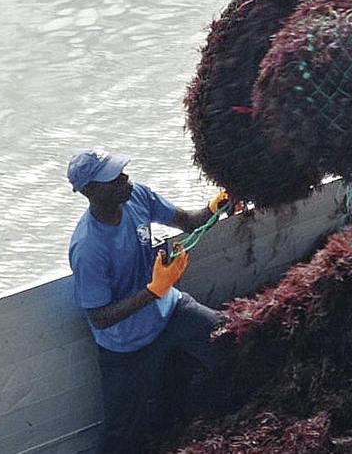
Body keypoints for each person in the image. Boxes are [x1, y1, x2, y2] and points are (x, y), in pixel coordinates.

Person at [66, 148, 231, 453]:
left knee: (233, 340)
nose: (125, 180)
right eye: (114, 179)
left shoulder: (136, 196)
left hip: (171, 310)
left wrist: (214, 207)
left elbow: (187, 221)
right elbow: (99, 317)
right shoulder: (88, 248)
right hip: (126, 344)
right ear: (90, 191)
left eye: (122, 172)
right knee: (121, 434)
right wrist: (154, 290)